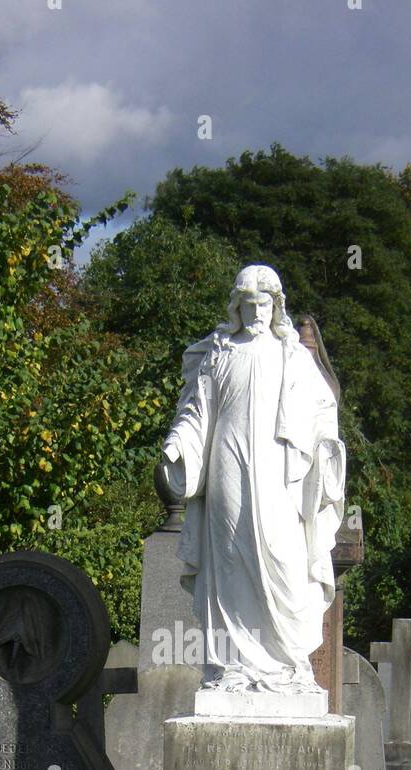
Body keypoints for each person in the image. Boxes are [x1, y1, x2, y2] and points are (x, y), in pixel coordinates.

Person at [158, 264, 345, 696]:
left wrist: (326, 450)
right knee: (229, 557)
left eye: (266, 303)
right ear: (237, 306)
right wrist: (178, 443)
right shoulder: (220, 353)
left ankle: (288, 662)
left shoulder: (292, 354)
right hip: (228, 459)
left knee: (282, 555)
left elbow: (321, 414)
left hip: (280, 471)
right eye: (250, 304)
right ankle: (231, 667)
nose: (258, 311)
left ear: (276, 306)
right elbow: (196, 412)